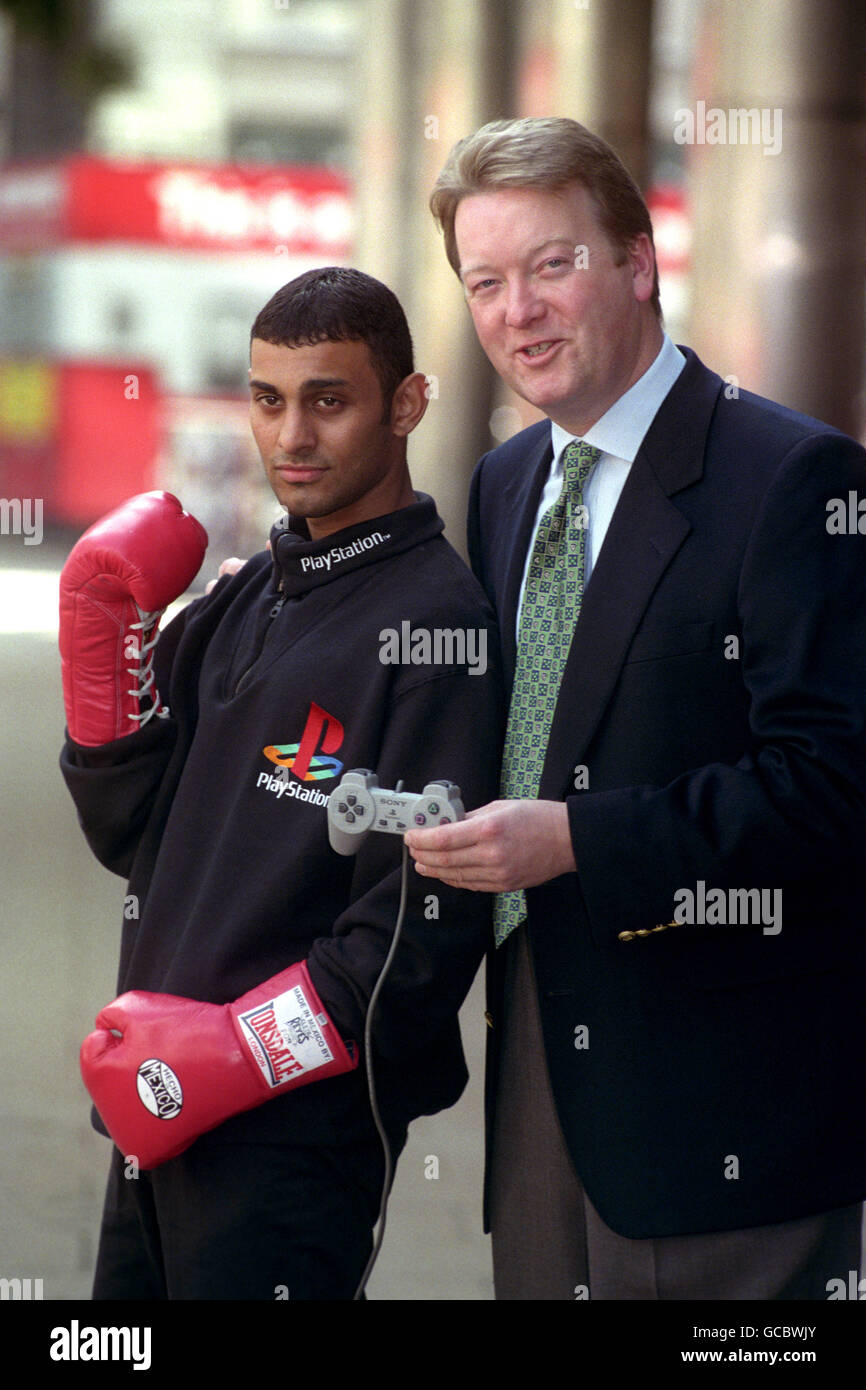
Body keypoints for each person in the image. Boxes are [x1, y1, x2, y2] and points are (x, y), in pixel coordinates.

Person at [406, 116, 866, 1300]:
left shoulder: (792, 479)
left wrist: (571, 841)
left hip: (727, 1113)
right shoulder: (508, 481)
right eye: (486, 282)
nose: (519, 311)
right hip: (539, 1081)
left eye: (551, 265)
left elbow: (835, 784)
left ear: (637, 262)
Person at [59, 266, 503, 1300]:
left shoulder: (439, 628)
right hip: (154, 1106)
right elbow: (128, 832)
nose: (290, 435)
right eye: (267, 398)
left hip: (292, 1144)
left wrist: (228, 1051)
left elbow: (420, 933)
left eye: (327, 399)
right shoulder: (247, 591)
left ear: (405, 404)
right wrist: (99, 657)